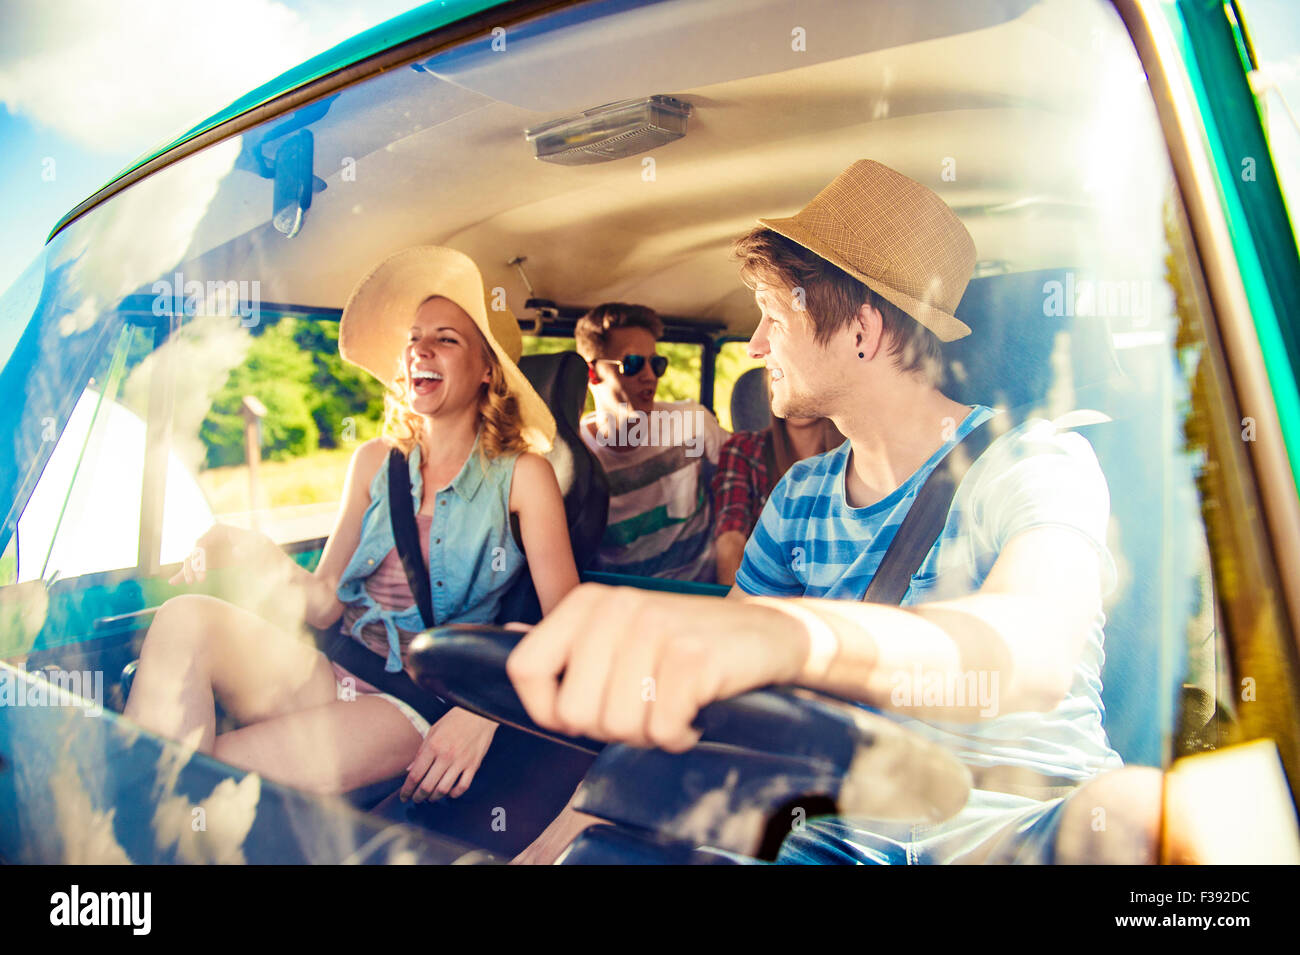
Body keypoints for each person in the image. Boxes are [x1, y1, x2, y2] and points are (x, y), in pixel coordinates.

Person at [506, 160, 1124, 864]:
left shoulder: (1033, 461)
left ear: (862, 330)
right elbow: (713, 690)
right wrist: (555, 840)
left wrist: (792, 638)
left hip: (1017, 827)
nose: (755, 346)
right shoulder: (799, 494)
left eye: (774, 317)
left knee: (1137, 812)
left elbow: (1033, 652)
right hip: (832, 833)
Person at [125, 246, 580, 804]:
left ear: (488, 370)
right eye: (414, 338)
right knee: (183, 617)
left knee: (197, 775)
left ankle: (143, 832)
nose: (420, 350)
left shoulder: (523, 476)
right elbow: (324, 605)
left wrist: (488, 708)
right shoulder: (373, 462)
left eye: (446, 339)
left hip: (416, 699)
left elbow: (571, 624)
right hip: (333, 667)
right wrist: (254, 551)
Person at [575, 302, 728, 582]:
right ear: (592, 373)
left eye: (656, 364)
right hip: (624, 601)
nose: (649, 376)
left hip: (701, 595)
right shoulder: (575, 456)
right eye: (632, 364)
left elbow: (748, 484)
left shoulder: (692, 423)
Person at [712, 386, 843, 585]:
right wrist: (741, 600)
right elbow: (730, 538)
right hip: (762, 591)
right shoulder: (744, 449)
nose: (795, 386)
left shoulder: (853, 457)